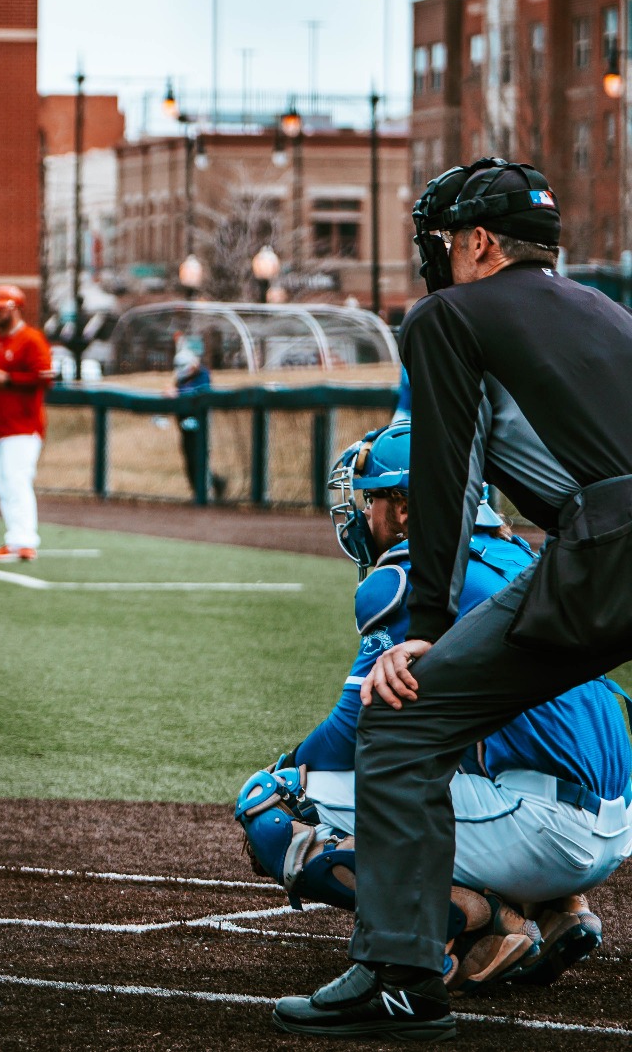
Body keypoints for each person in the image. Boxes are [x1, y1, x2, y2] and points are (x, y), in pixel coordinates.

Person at [275, 158, 632, 1039]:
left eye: (442, 242)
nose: (437, 260)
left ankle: (399, 978)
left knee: (400, 722)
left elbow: (446, 475)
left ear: (476, 244)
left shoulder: (446, 314)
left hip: (608, 553)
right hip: (603, 546)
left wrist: (425, 628)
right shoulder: (610, 312)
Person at [236, 421, 630, 999]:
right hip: (614, 823)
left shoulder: (405, 572)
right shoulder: (521, 557)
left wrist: (290, 764)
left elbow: (353, 729)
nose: (362, 515)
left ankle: (475, 921)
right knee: (450, 744)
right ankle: (556, 912)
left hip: (542, 829)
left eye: (371, 499)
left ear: (401, 508)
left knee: (272, 808)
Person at [0, 284, 53, 562]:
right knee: (4, 486)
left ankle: (25, 541)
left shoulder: (31, 339)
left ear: (14, 308)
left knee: (18, 481)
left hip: (22, 426)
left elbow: (44, 377)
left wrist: (7, 378)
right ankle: (14, 539)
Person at [169, 336, 227, 503]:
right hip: (185, 425)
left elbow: (198, 393)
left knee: (199, 458)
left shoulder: (202, 375)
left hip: (200, 425)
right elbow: (176, 390)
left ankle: (215, 487)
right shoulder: (181, 379)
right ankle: (198, 493)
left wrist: (177, 393)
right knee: (189, 460)